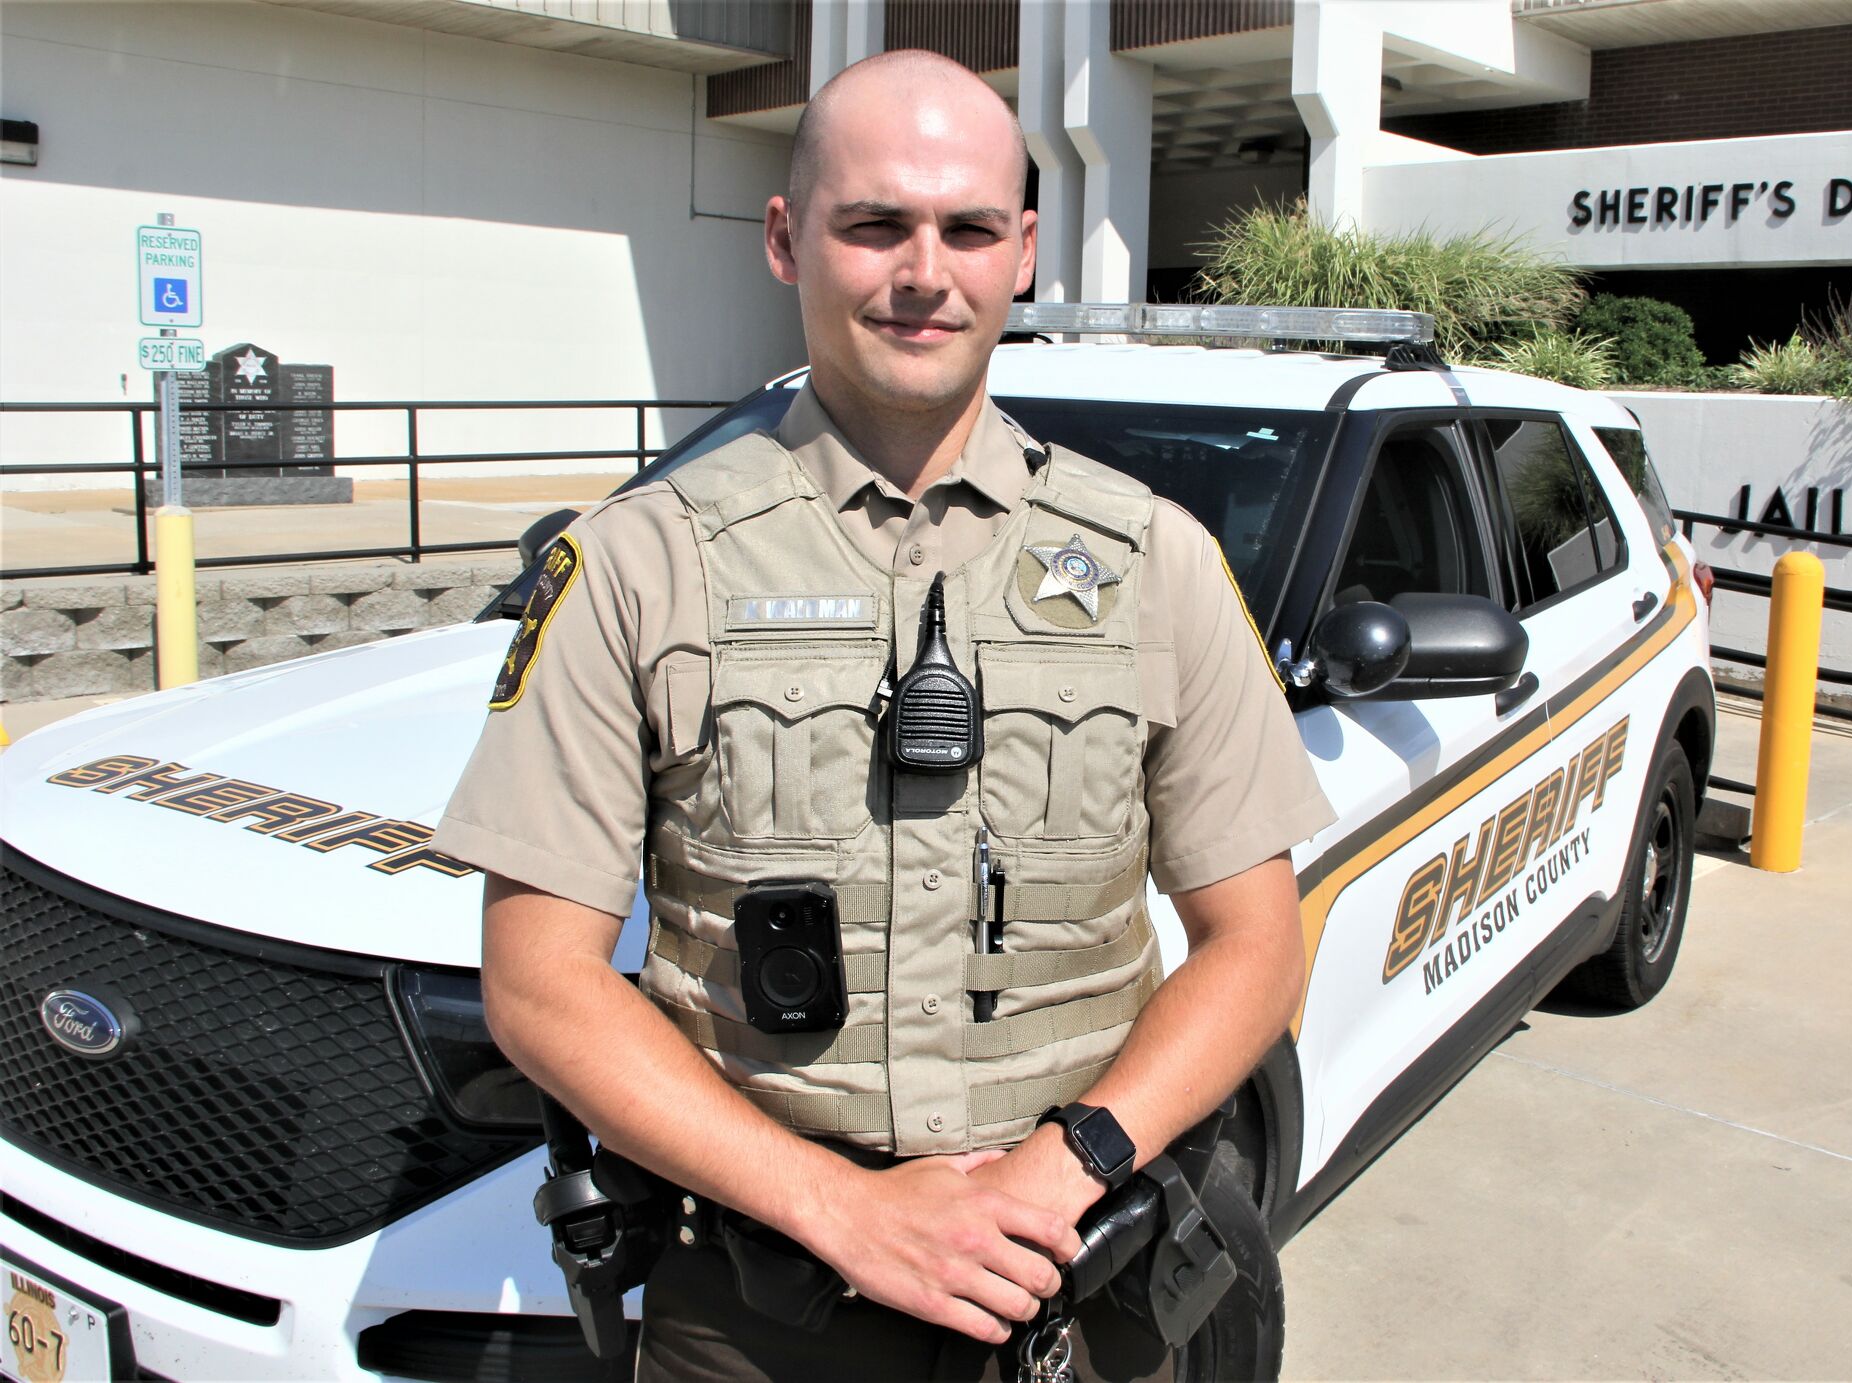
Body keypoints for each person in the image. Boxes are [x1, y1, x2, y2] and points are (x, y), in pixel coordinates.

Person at [431, 49, 1334, 1382]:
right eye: (876, 224)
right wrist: (842, 1210)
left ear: (1024, 250)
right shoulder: (639, 563)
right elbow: (540, 980)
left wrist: (1066, 1159)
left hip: (1082, 1283)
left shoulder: (1156, 561)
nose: (927, 272)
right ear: (788, 239)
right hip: (756, 1315)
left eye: (969, 227)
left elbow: (1256, 942)